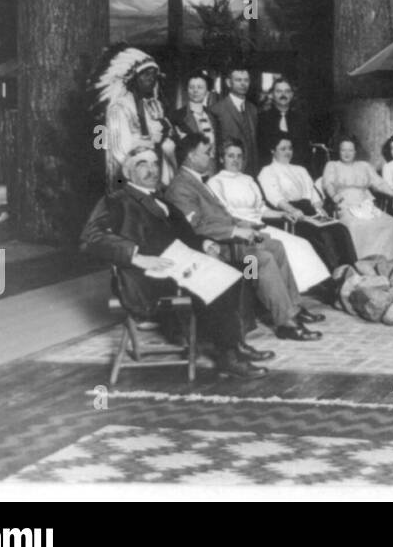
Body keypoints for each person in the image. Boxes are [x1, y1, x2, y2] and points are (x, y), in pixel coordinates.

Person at [80, 143, 268, 379]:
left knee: (238, 272)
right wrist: (137, 257)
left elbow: (185, 235)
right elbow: (90, 237)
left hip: (178, 263)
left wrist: (204, 244)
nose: (152, 169)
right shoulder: (117, 200)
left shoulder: (163, 202)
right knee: (221, 282)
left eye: (155, 163)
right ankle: (227, 357)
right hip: (146, 275)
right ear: (128, 173)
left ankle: (234, 344)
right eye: (143, 164)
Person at [165, 133, 321, 341]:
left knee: (275, 246)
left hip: (230, 239)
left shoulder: (195, 181)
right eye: (207, 153)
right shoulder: (180, 187)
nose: (210, 157)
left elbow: (219, 215)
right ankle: (285, 322)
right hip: (218, 249)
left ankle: (292, 308)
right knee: (259, 260)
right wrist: (233, 232)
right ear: (191, 156)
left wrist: (242, 224)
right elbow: (192, 227)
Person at [221, 136, 349, 281]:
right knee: (320, 236)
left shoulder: (299, 169)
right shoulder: (267, 171)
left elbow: (312, 191)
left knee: (339, 229)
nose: (287, 152)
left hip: (310, 209)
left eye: (289, 148)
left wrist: (318, 207)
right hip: (292, 211)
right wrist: (289, 210)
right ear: (272, 151)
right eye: (283, 149)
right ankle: (333, 276)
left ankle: (350, 269)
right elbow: (275, 198)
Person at [95, 46, 177, 188]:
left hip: (155, 170)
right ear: (132, 79)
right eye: (145, 75)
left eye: (153, 75)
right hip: (130, 175)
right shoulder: (118, 108)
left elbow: (166, 134)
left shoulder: (151, 106)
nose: (151, 79)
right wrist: (151, 141)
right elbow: (121, 150)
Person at [319, 137, 393, 260]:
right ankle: (360, 260)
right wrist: (334, 195)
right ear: (338, 151)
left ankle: (385, 259)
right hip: (344, 204)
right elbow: (327, 183)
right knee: (356, 225)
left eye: (350, 150)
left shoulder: (364, 165)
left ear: (355, 152)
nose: (346, 153)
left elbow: (379, 183)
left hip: (365, 204)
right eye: (343, 150)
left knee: (389, 222)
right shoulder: (332, 165)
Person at [210, 65, 260, 175]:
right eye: (238, 80)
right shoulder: (217, 110)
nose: (243, 83)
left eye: (246, 80)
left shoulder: (253, 109)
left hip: (251, 173)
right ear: (228, 83)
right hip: (229, 173)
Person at [257, 77, 312, 171]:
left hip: (297, 171)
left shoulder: (301, 120)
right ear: (272, 94)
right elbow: (261, 151)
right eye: (279, 91)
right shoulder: (262, 119)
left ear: (292, 95)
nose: (283, 95)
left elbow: (305, 151)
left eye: (287, 91)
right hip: (271, 172)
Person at [170, 71, 220, 157]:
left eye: (200, 87)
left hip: (213, 167)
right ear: (187, 90)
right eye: (191, 87)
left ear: (207, 92)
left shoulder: (214, 117)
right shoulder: (177, 116)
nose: (195, 91)